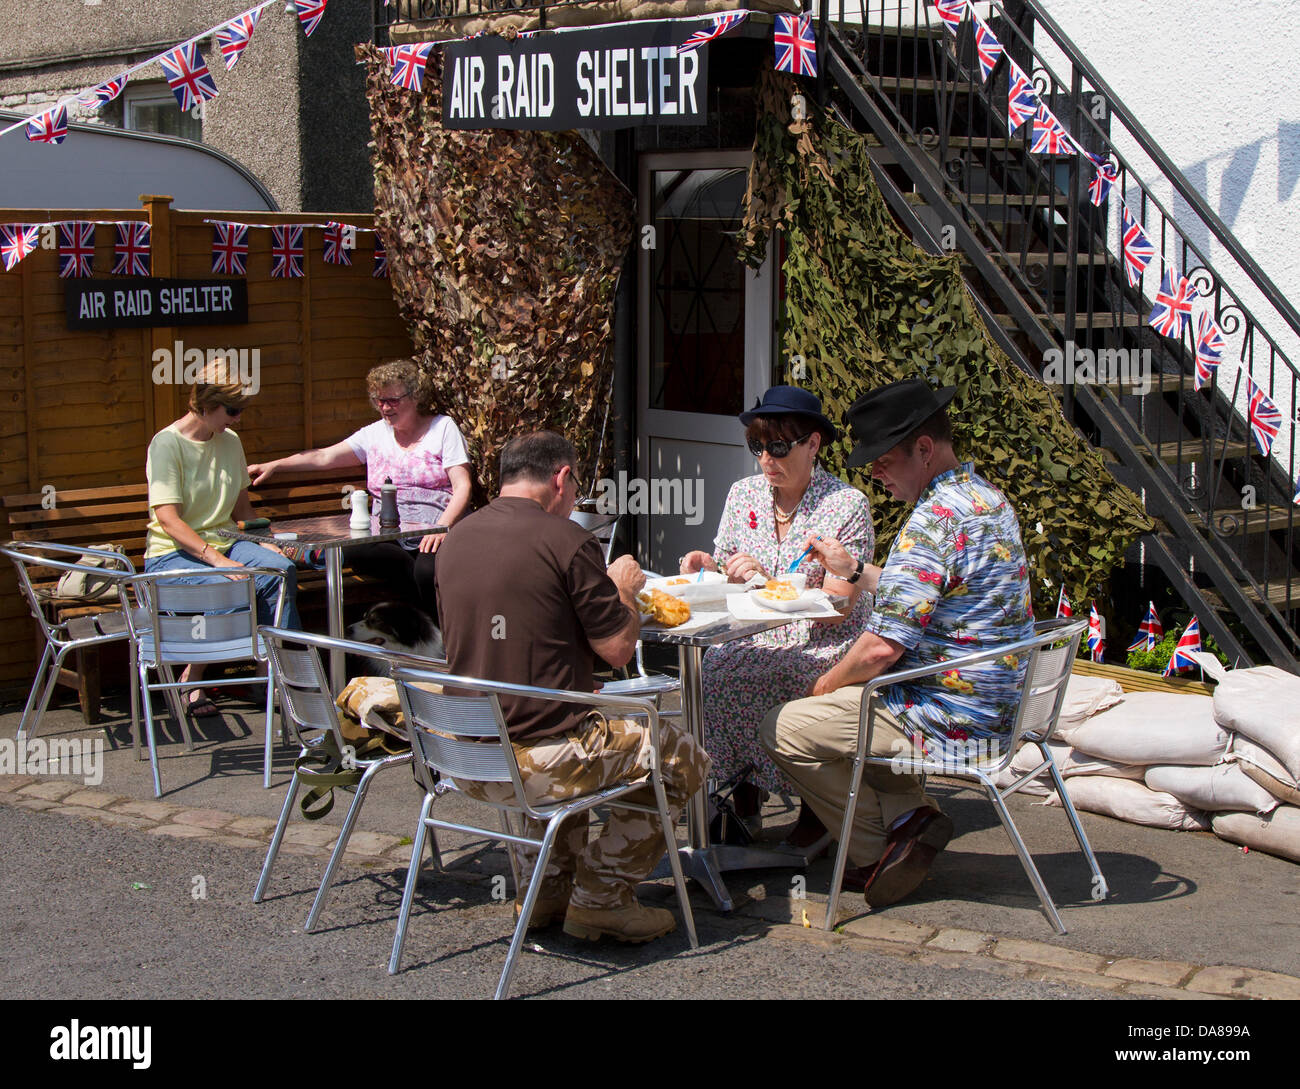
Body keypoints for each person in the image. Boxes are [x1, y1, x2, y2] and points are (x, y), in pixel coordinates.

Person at [761, 378, 1035, 908]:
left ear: (924, 449)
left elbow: (880, 650)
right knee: (851, 706)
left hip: (952, 716)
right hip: (998, 703)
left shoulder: (932, 520)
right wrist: (856, 570)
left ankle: (871, 855)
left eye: (883, 461)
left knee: (786, 724)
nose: (875, 474)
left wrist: (826, 684)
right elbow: (933, 590)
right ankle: (913, 817)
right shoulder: (985, 498)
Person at [434, 431, 710, 943]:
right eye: (577, 480)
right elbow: (619, 650)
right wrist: (622, 589)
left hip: (465, 756)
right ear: (562, 478)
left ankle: (544, 897)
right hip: (534, 762)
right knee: (679, 755)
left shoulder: (456, 539)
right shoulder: (567, 541)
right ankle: (600, 900)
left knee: (578, 728)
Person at [678, 386, 874, 844]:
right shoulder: (744, 493)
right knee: (715, 670)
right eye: (758, 447)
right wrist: (707, 566)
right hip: (754, 633)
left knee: (789, 671)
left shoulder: (845, 504)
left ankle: (816, 805)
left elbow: (839, 608)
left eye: (780, 447)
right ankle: (738, 790)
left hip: (822, 641)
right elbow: (727, 563)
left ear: (813, 444)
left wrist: (769, 582)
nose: (767, 458)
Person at [248, 358, 471, 616]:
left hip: (434, 531)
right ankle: (422, 636)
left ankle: (435, 638)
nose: (384, 407)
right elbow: (324, 457)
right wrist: (275, 465)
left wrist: (442, 527)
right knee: (376, 554)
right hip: (385, 534)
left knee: (426, 571)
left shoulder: (442, 428)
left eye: (392, 400)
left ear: (416, 396)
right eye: (379, 400)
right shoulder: (374, 434)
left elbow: (462, 485)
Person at [144, 360, 302, 717]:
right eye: (232, 410)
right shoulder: (166, 445)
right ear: (206, 403)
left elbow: (243, 511)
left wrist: (268, 543)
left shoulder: (230, 441)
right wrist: (219, 560)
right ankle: (192, 678)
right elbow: (168, 520)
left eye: (241, 410)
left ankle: (276, 675)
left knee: (280, 570)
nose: (238, 418)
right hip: (172, 552)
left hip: (225, 541)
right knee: (230, 583)